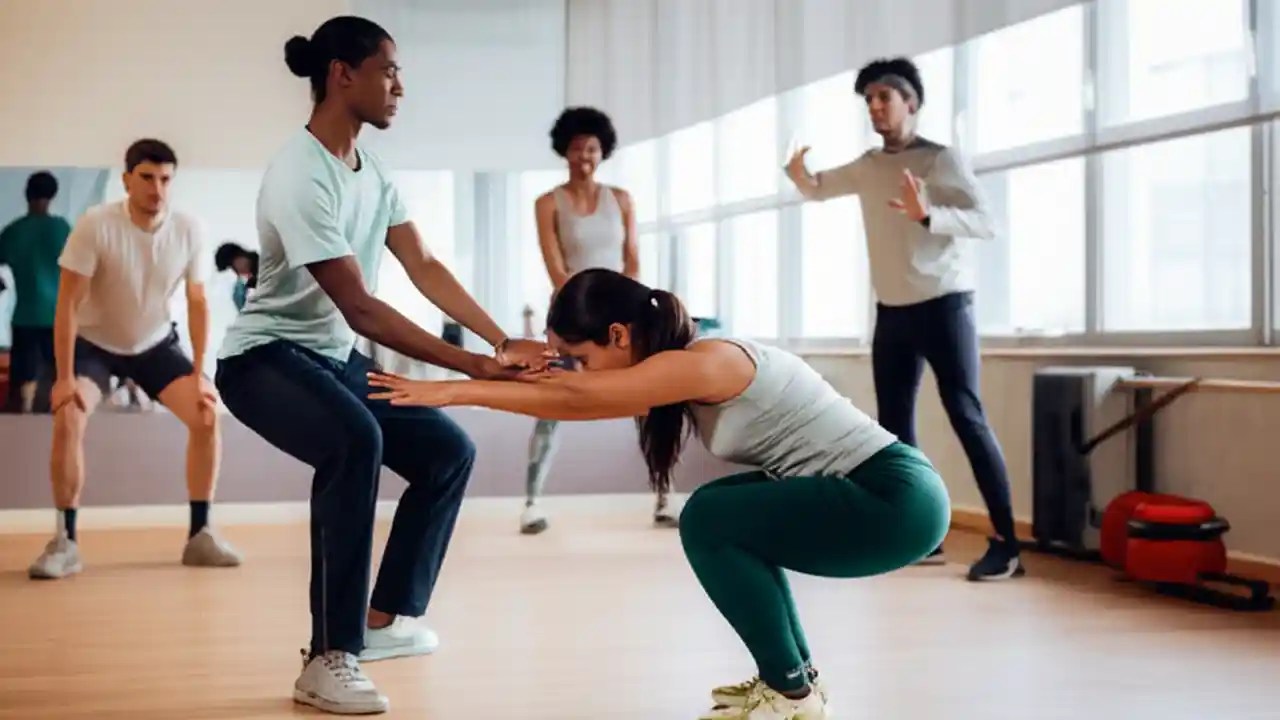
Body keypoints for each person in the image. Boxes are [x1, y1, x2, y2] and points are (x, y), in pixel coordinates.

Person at [368, 269, 951, 720]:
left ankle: (789, 690)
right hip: (883, 495)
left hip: (892, 499)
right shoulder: (678, 370)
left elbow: (580, 398)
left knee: (710, 518)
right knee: (729, 512)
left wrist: (455, 391)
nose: (576, 368)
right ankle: (795, 683)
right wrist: (501, 370)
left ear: (619, 334)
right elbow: (576, 397)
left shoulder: (708, 362)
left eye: (581, 355)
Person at [213, 16, 546, 715]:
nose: (399, 86)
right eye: (389, 70)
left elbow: (421, 263)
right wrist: (471, 369)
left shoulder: (371, 170)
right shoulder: (300, 174)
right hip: (262, 358)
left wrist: (496, 343)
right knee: (353, 441)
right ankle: (329, 657)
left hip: (331, 357)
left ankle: (382, 623)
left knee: (445, 452)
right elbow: (362, 308)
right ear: (343, 73)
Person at [784, 56, 1021, 581]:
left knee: (967, 417)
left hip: (945, 306)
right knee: (894, 431)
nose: (874, 108)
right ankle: (920, 538)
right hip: (892, 312)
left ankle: (1008, 543)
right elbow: (821, 187)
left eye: (883, 98)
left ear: (910, 103)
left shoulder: (941, 160)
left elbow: (987, 221)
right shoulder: (869, 165)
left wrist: (929, 215)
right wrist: (800, 176)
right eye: (868, 100)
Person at [27, 139, 242, 580]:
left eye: (165, 179)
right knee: (68, 416)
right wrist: (64, 377)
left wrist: (201, 373)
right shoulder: (95, 225)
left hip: (154, 344)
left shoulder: (188, 228)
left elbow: (196, 301)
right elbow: (67, 303)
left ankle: (200, 535)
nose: (156, 188)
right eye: (146, 177)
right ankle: (64, 542)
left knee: (205, 415)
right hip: (94, 344)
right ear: (127, 179)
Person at [520, 106, 678, 534]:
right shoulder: (547, 203)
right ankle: (531, 504)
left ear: (601, 151)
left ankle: (664, 498)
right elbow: (555, 266)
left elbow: (632, 262)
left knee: (649, 403)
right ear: (564, 152)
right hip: (569, 317)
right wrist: (581, 314)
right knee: (550, 404)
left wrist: (623, 315)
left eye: (591, 148)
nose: (583, 156)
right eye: (576, 149)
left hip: (621, 319)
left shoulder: (622, 200)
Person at [0, 171, 71, 413]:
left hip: (24, 317)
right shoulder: (62, 230)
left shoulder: (12, 232)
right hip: (58, 317)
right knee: (56, 380)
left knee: (20, 384)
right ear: (52, 195)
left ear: (26, 194)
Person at [214, 241, 259, 311]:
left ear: (239, 257)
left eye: (233, 268)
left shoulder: (265, 265)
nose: (237, 273)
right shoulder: (250, 282)